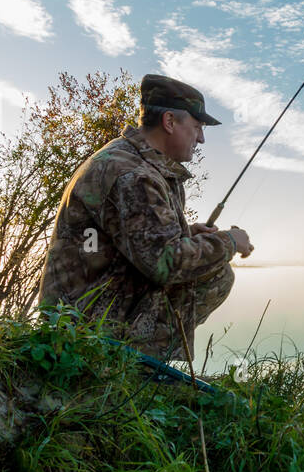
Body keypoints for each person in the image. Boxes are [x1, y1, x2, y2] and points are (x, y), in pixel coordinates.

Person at [37, 74, 253, 362]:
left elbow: (129, 238)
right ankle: (131, 367)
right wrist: (230, 242)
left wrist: (188, 232)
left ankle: (133, 364)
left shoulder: (130, 160)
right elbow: (166, 263)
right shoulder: (134, 175)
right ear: (169, 122)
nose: (201, 138)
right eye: (197, 127)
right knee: (215, 273)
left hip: (78, 312)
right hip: (80, 328)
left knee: (209, 266)